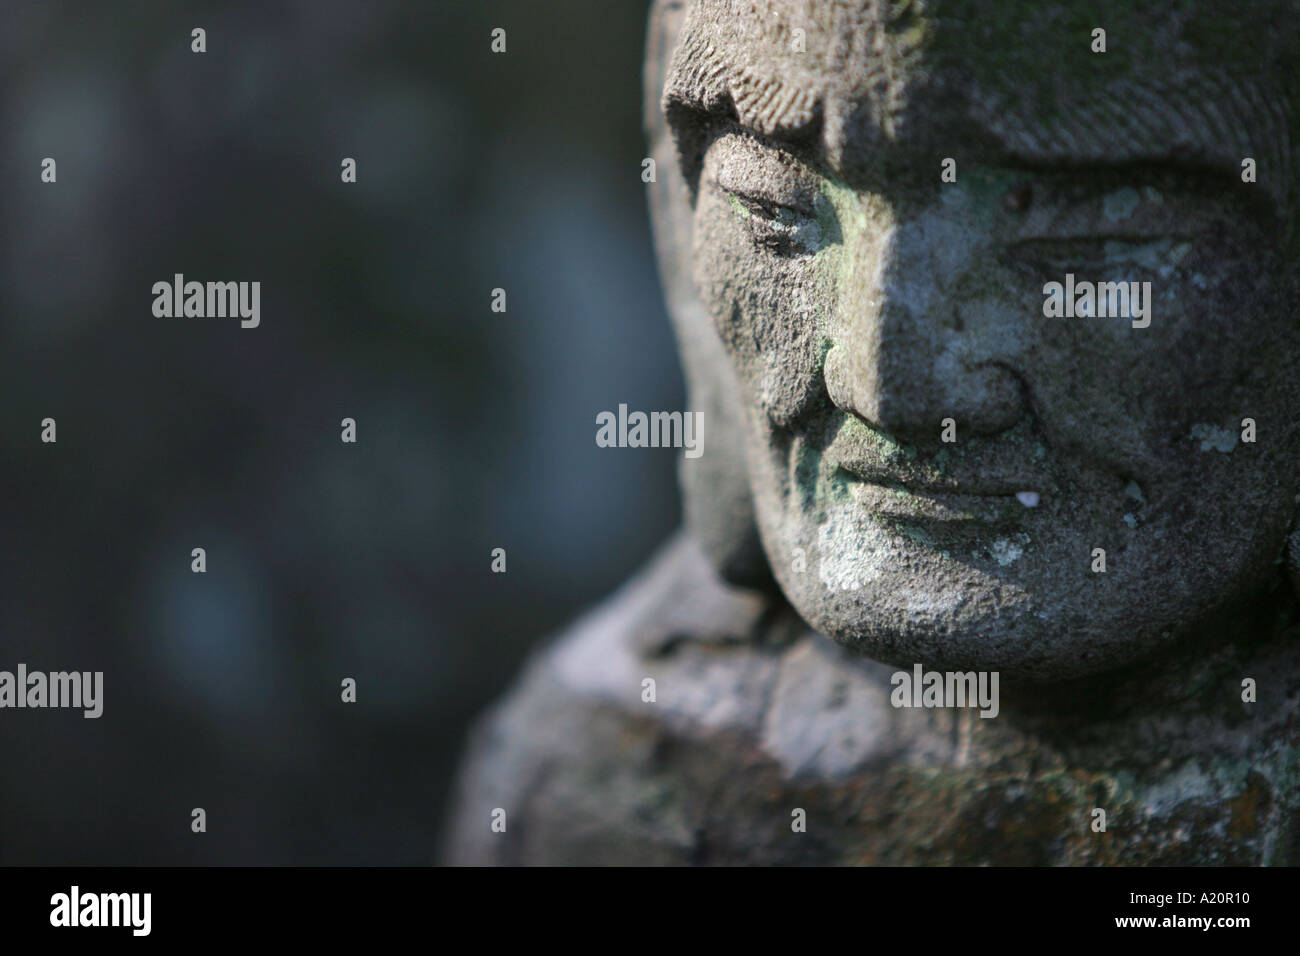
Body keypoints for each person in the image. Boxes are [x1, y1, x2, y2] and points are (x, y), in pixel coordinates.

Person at [443, 0, 1300, 865]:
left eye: (1088, 243)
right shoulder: (601, 780)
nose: (891, 388)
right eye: (776, 208)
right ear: (677, 200)